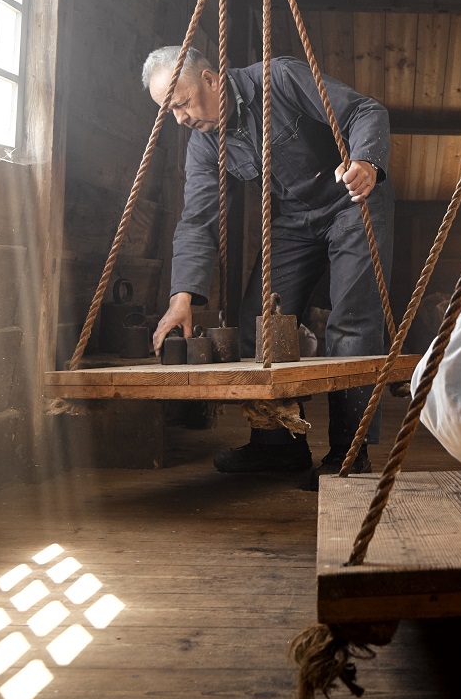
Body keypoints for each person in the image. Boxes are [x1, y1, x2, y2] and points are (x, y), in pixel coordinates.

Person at [143, 45, 393, 478]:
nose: (181, 118)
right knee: (259, 315)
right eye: (170, 112)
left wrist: (367, 162)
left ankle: (349, 452)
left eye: (182, 103)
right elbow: (198, 219)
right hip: (295, 217)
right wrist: (181, 297)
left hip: (353, 201)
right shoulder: (204, 144)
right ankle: (277, 445)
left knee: (352, 320)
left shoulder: (279, 79)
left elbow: (366, 110)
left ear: (209, 79)